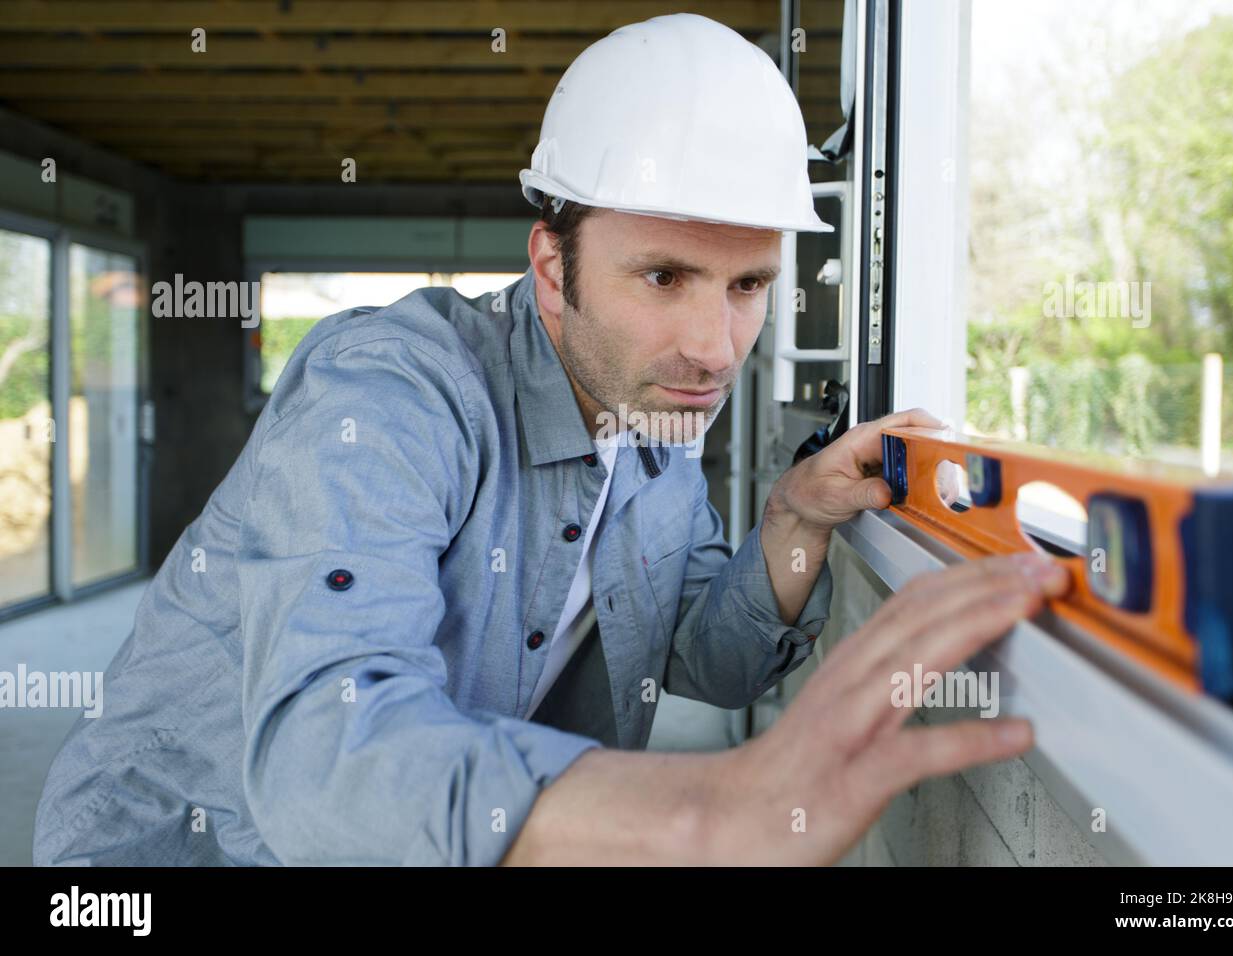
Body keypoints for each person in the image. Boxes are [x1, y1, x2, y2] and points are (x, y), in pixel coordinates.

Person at [33, 12, 1068, 867]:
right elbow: (327, 756)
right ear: (551, 267)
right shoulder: (393, 390)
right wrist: (710, 809)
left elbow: (704, 656)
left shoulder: (654, 421)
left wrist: (795, 515)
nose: (714, 348)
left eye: (747, 284)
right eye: (662, 276)